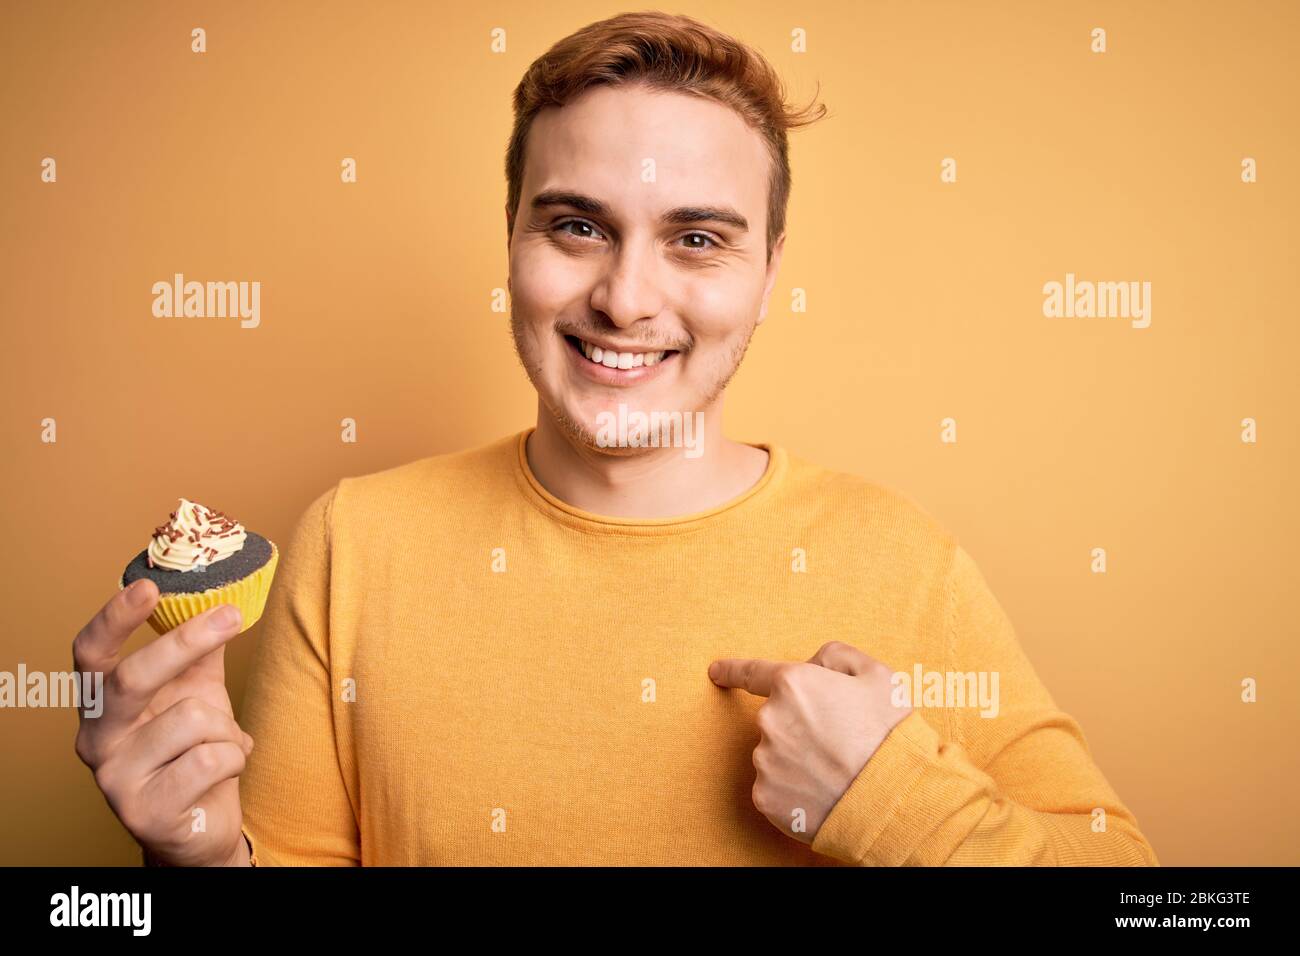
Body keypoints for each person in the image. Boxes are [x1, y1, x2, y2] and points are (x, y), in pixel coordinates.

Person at [74, 10, 1158, 866]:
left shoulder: (903, 561)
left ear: (769, 275)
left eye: (698, 239)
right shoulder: (353, 542)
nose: (626, 298)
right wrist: (198, 859)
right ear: (512, 239)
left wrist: (892, 801)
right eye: (578, 226)